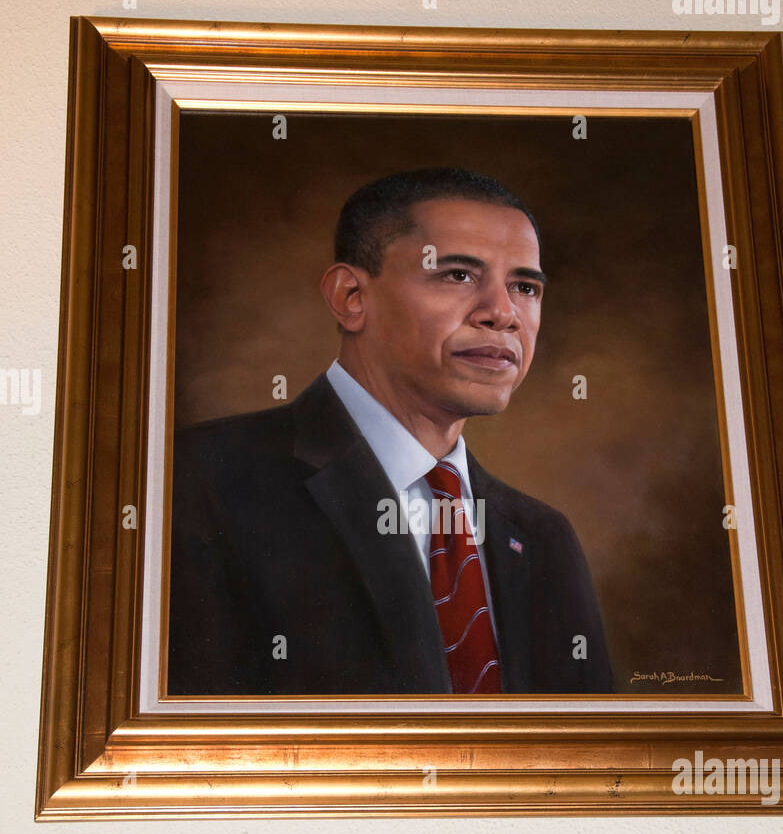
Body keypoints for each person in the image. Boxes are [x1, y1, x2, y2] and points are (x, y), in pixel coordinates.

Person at [168, 167, 614, 695]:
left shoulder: (543, 538)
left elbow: (587, 762)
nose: (503, 313)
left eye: (525, 286)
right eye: (457, 275)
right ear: (351, 297)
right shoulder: (195, 480)